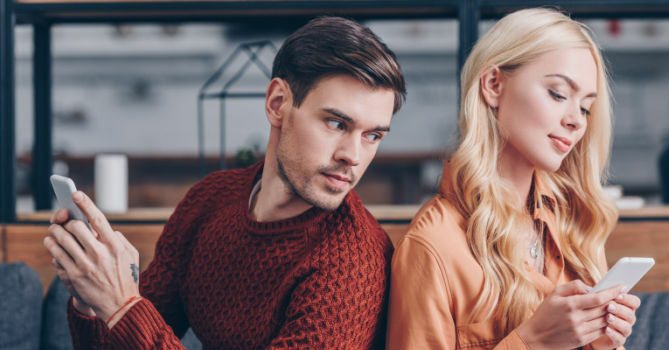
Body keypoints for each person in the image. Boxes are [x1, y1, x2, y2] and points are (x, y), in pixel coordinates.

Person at [43, 16, 406, 349]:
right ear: (278, 103)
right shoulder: (210, 200)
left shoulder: (352, 266)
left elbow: (132, 323)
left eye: (372, 135)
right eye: (337, 124)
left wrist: (123, 306)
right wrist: (92, 300)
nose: (353, 156)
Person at [387, 8, 640, 350]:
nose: (576, 121)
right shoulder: (432, 247)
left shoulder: (573, 224)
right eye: (558, 93)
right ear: (493, 85)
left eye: (585, 108)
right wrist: (533, 341)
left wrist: (604, 344)